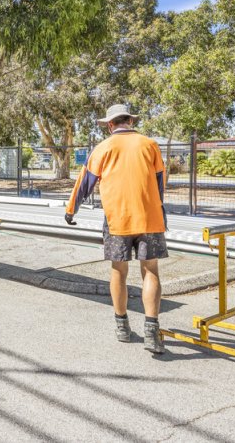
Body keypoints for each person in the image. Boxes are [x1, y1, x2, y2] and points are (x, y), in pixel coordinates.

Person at [65, 104, 168, 354]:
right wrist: (158, 208)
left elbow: (84, 183)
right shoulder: (150, 145)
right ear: (130, 121)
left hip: (117, 221)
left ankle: (122, 327)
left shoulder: (103, 148)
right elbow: (160, 182)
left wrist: (71, 210)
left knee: (119, 272)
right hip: (150, 219)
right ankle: (152, 331)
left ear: (110, 125)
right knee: (150, 270)